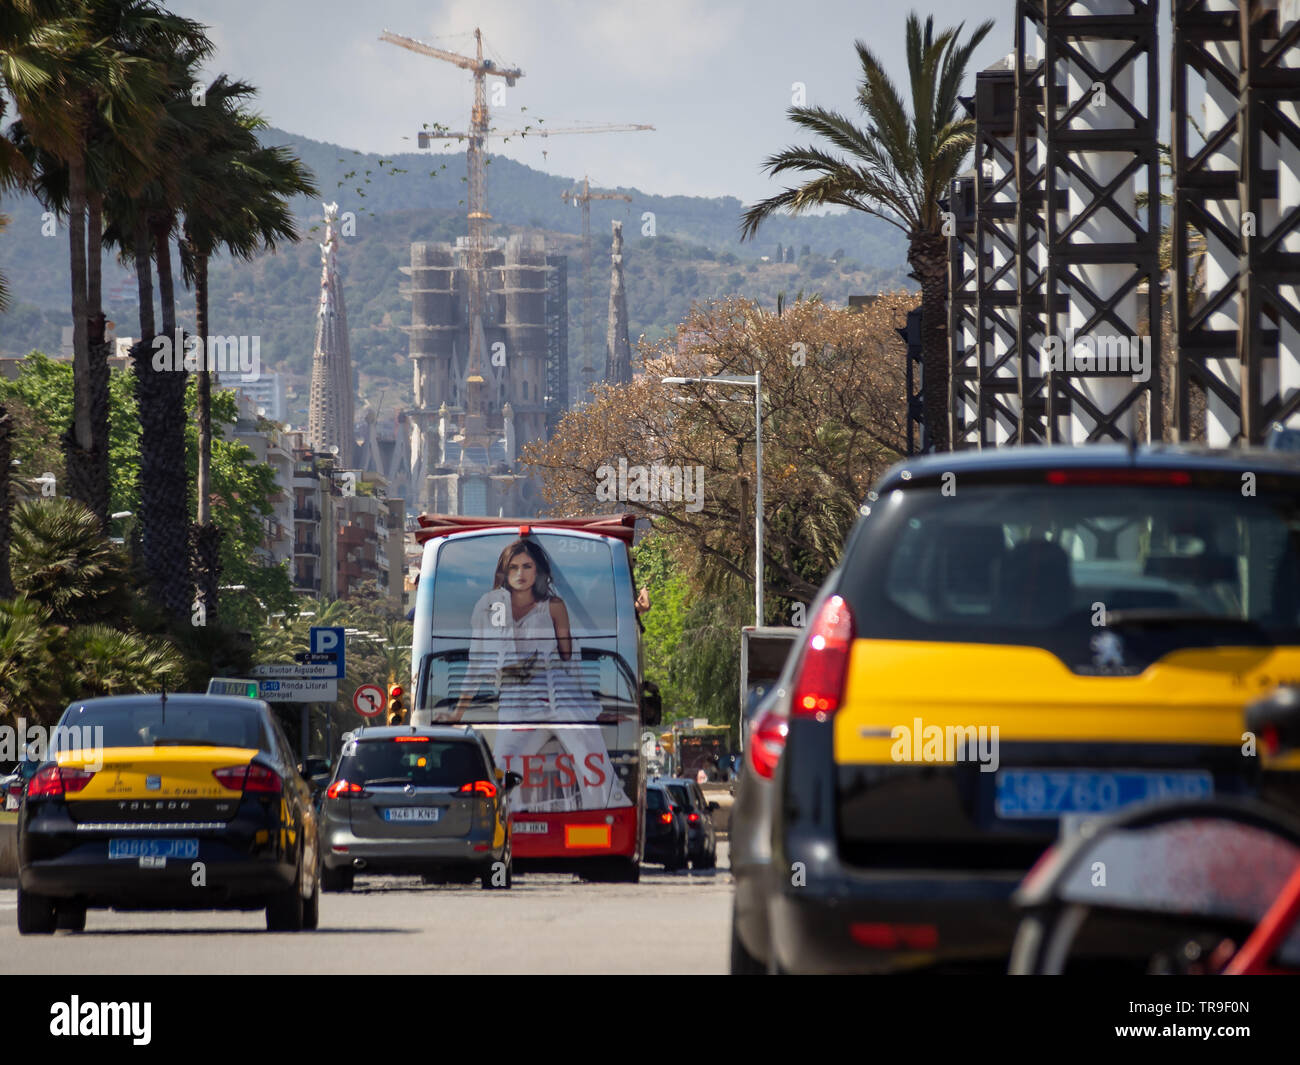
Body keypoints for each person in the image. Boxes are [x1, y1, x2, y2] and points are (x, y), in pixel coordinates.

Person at [437, 537, 631, 810]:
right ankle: (504, 827)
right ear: (503, 572)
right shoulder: (492, 606)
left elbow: (569, 661)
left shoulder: (553, 606)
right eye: (513, 567)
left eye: (527, 566)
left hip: (560, 696)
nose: (520, 574)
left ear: (537, 571)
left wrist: (592, 708)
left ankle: (605, 818)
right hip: (517, 702)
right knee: (503, 768)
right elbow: (479, 661)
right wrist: (458, 712)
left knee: (594, 763)